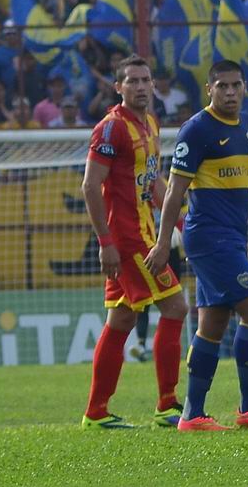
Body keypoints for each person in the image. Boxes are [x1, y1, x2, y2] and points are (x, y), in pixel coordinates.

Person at [146, 60, 248, 432]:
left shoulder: (245, 124)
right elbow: (175, 193)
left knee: (213, 322)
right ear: (209, 89)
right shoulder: (196, 130)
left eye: (236, 86)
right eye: (222, 86)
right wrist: (164, 244)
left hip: (233, 235)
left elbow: (245, 181)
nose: (230, 92)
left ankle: (193, 414)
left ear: (245, 88)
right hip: (208, 237)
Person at [78, 56, 187, 429]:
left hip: (144, 231)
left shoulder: (151, 124)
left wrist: (180, 219)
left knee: (122, 318)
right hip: (127, 239)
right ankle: (168, 405)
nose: (141, 86)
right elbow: (91, 186)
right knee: (176, 307)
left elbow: (152, 182)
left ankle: (96, 411)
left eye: (146, 80)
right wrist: (105, 242)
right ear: (118, 87)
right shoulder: (110, 129)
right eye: (133, 81)